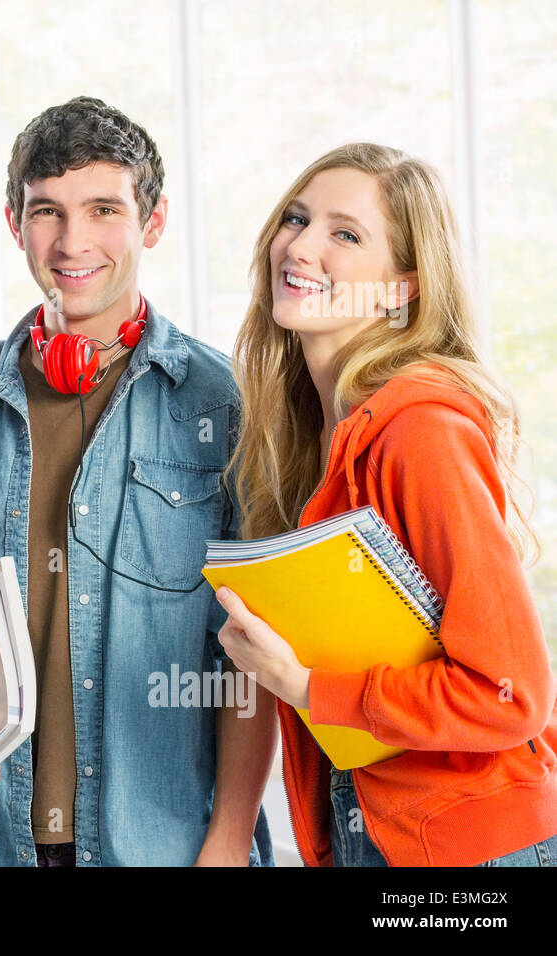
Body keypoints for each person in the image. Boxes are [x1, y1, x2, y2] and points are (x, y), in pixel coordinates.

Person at [0, 96, 276, 866]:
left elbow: (253, 649)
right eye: (46, 212)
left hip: (170, 846)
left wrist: (230, 838)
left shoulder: (226, 405)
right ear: (13, 223)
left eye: (104, 208)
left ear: (152, 223)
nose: (72, 241)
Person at [215, 142, 557, 867]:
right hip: (375, 838)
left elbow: (511, 693)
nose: (301, 247)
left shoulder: (421, 432)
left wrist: (306, 685)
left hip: (472, 853)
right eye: (297, 219)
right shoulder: (319, 438)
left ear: (401, 289)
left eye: (345, 234)